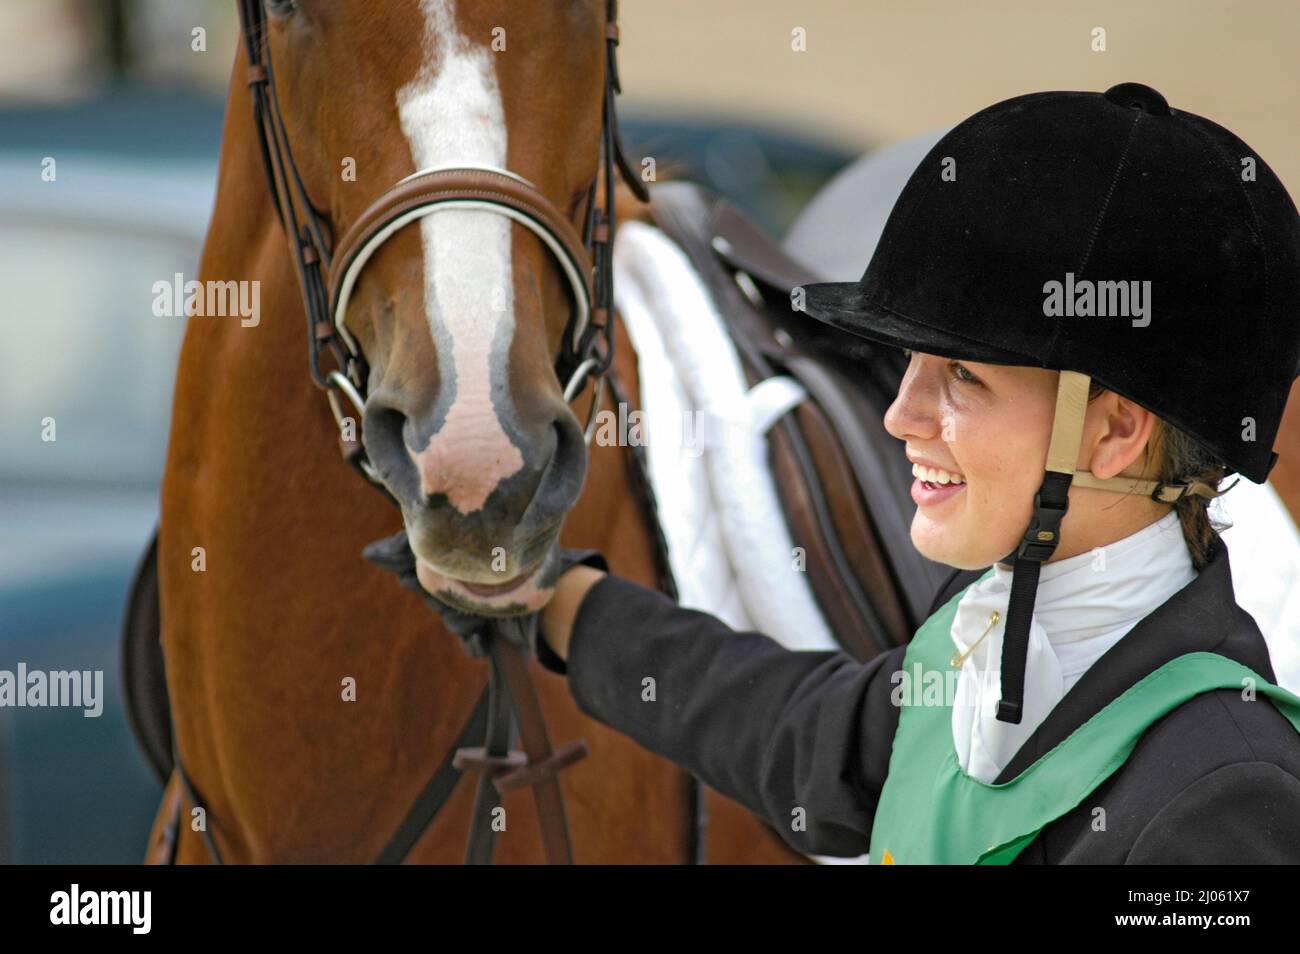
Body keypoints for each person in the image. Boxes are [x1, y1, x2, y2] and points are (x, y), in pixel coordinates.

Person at [365, 83, 1300, 863]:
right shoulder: (973, 651)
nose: (900, 416)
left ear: (1114, 436)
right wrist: (555, 603)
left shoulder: (1223, 795)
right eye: (908, 374)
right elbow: (797, 732)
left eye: (961, 378)